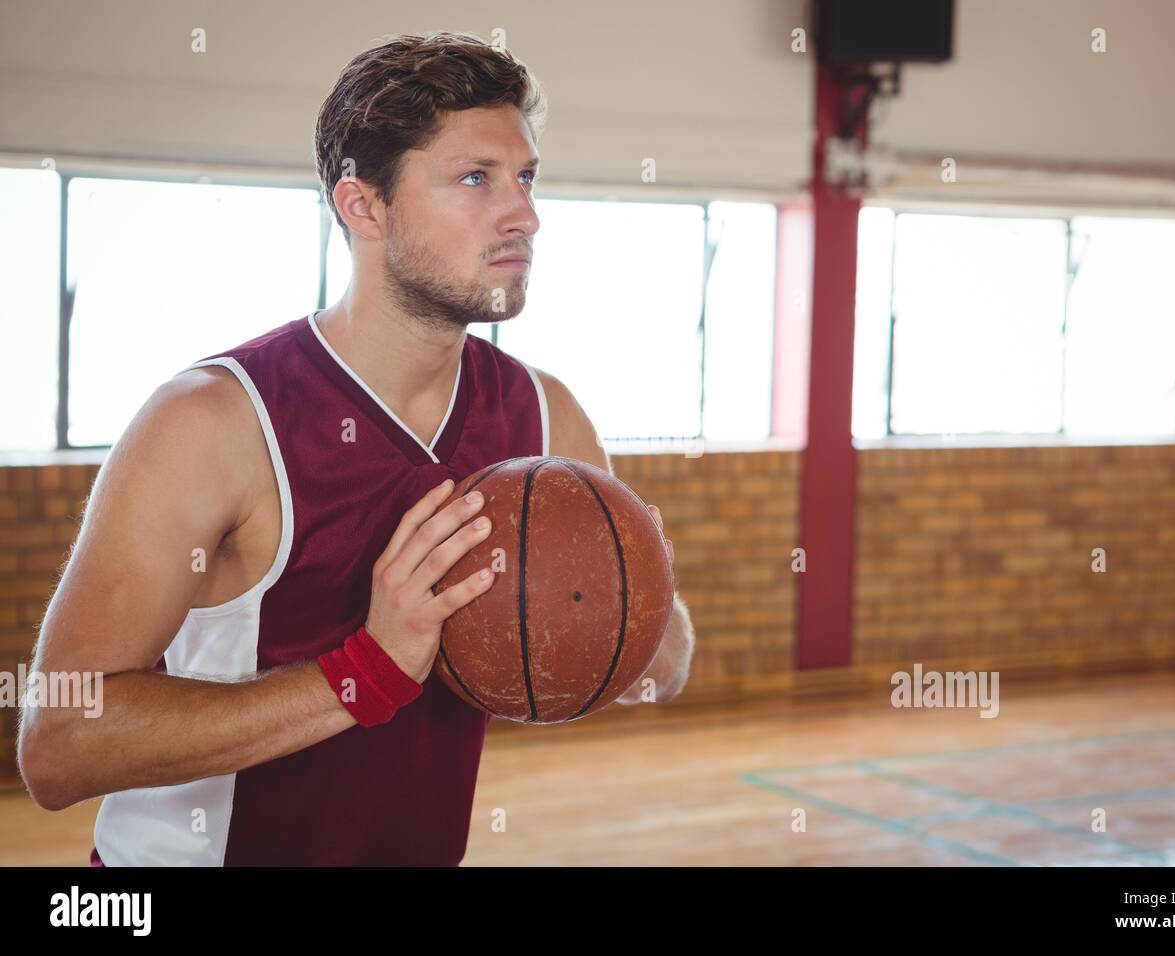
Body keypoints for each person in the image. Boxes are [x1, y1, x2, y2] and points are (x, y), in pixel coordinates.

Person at [17, 31, 695, 866]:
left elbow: (663, 670)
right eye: (475, 179)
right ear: (362, 206)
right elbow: (58, 744)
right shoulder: (214, 422)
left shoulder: (546, 419)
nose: (524, 213)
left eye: (526, 177)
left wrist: (642, 588)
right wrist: (364, 671)